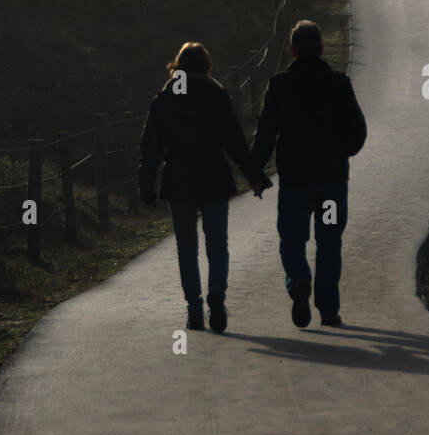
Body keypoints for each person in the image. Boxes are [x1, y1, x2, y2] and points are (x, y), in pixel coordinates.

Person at [139, 41, 272, 332]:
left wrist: (146, 186)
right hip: (214, 176)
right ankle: (217, 294)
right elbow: (234, 141)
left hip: (179, 180)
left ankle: (194, 308)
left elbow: (149, 147)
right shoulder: (216, 94)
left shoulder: (163, 99)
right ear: (207, 65)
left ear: (177, 66)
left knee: (186, 247)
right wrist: (254, 175)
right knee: (217, 244)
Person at [250, 19, 366, 329]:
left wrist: (254, 171)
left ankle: (299, 279)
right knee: (329, 243)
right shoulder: (339, 84)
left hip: (296, 183)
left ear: (292, 49)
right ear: (322, 48)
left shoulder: (280, 85)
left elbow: (265, 134)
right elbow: (358, 130)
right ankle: (328, 310)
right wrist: (343, 151)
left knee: (292, 238)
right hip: (332, 183)